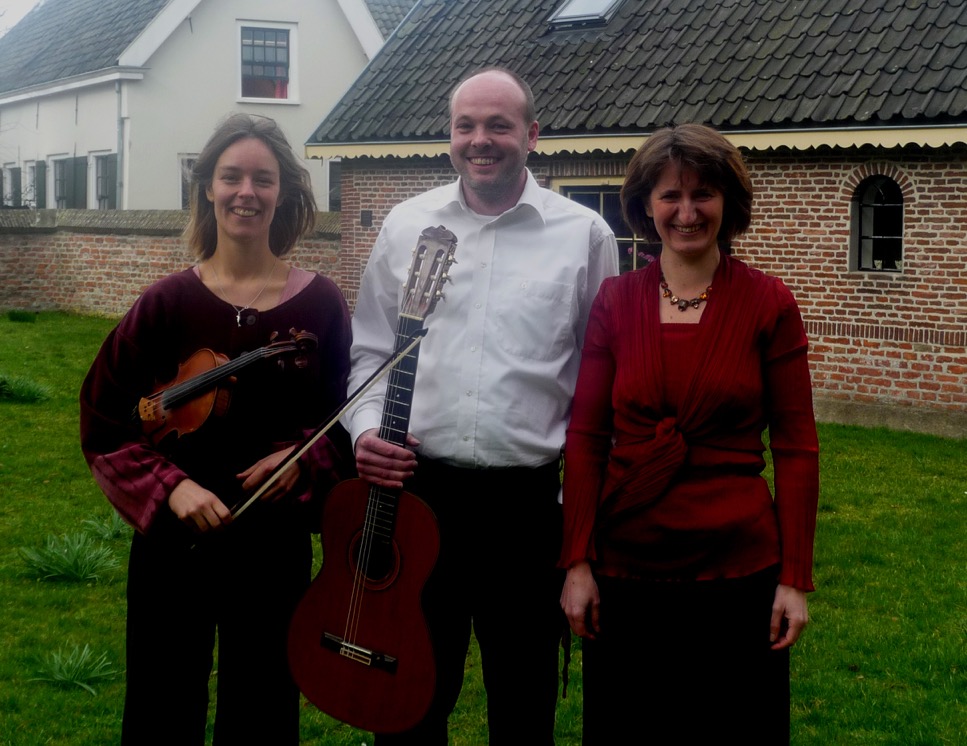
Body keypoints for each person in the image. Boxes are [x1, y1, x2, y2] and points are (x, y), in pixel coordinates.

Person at [346, 67, 619, 744]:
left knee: (523, 704)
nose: (480, 140)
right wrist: (362, 430)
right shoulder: (407, 225)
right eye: (465, 125)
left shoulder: (584, 237)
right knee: (407, 699)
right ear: (449, 135)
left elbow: (598, 384)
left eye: (498, 125)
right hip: (417, 498)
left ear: (530, 134)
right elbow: (370, 353)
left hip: (525, 512)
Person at [79, 113, 352, 745]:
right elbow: (104, 419)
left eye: (263, 178)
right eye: (231, 177)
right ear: (208, 187)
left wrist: (302, 464)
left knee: (262, 709)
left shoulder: (321, 305)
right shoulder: (166, 303)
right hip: (174, 546)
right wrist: (170, 487)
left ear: (283, 190)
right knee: (160, 704)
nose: (245, 192)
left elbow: (344, 427)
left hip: (273, 547)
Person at [559, 123, 820, 744]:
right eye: (669, 195)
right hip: (625, 570)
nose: (686, 211)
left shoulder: (768, 304)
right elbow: (588, 437)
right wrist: (576, 563)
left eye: (702, 194)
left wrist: (794, 578)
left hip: (737, 573)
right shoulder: (615, 303)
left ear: (727, 202)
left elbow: (796, 446)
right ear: (646, 206)